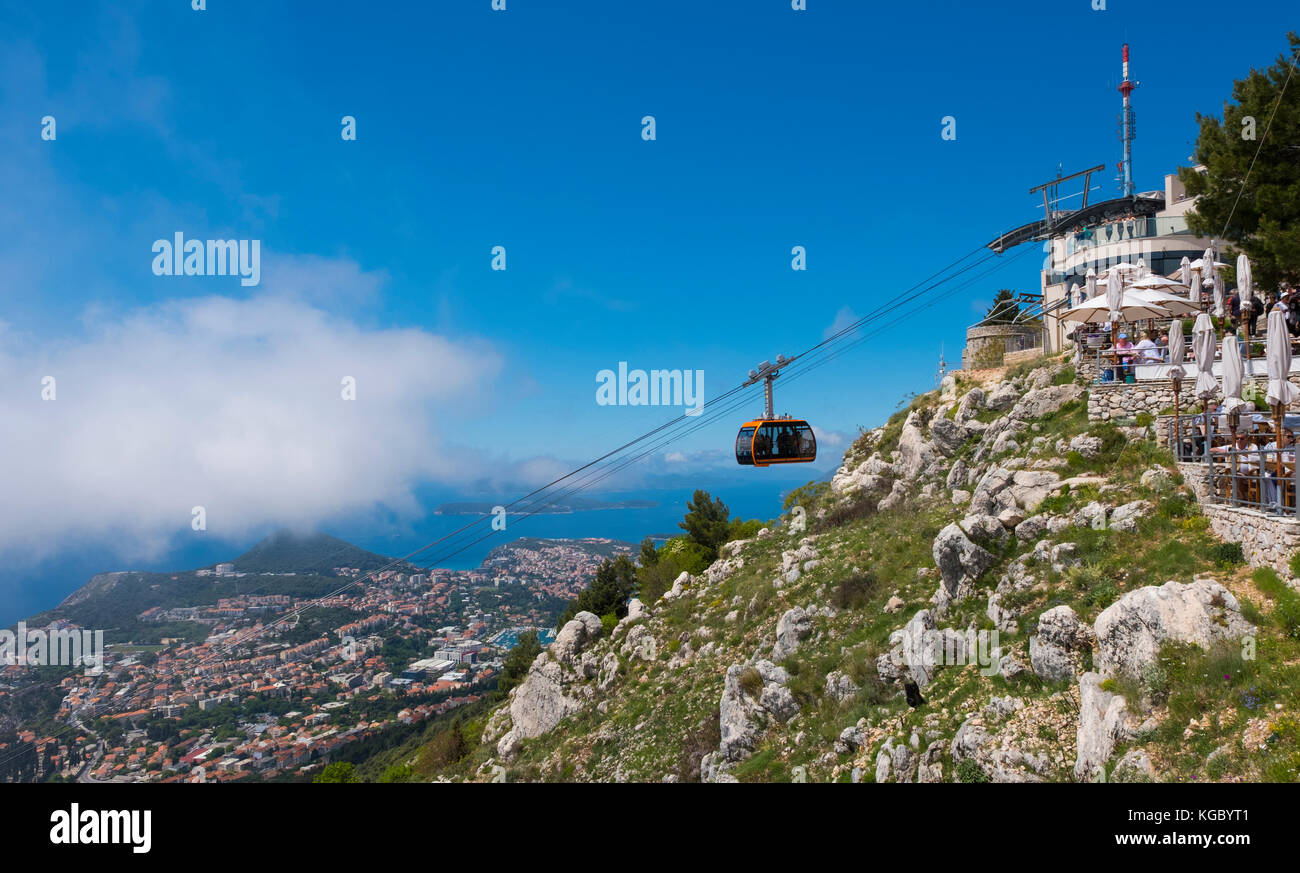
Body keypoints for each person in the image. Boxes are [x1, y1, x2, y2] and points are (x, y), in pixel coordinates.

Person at [1261, 429, 1296, 510]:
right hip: (1272, 470)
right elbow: (1269, 460)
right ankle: (1275, 503)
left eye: (1292, 437)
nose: (1291, 439)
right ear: (1281, 436)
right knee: (1270, 477)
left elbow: (1292, 462)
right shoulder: (1270, 446)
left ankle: (1283, 504)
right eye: (1289, 436)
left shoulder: (1290, 449)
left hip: (1288, 471)